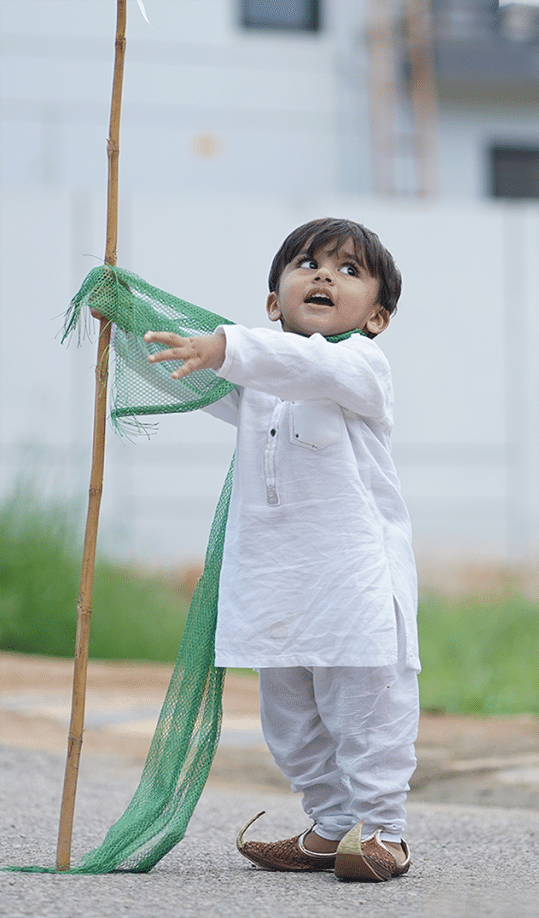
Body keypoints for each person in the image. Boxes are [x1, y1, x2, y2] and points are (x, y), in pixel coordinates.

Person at [144, 217, 419, 882]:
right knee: (289, 720)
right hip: (272, 578)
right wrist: (126, 326)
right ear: (274, 304)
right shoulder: (256, 374)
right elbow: (195, 378)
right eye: (306, 264)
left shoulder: (359, 367)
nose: (324, 275)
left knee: (365, 711)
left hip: (351, 581)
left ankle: (383, 830)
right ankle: (328, 826)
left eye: (349, 270)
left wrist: (227, 346)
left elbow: (298, 362)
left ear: (377, 318)